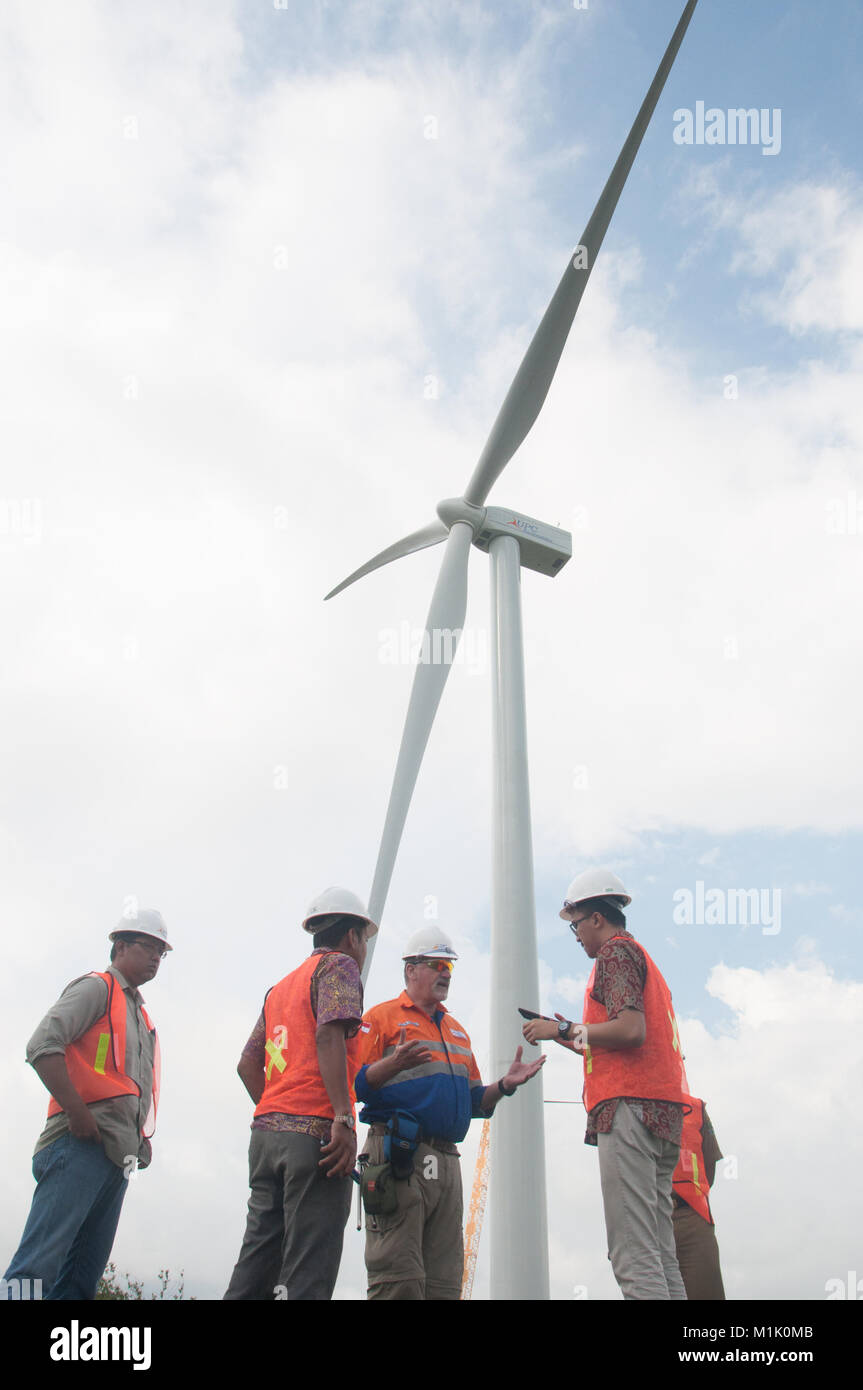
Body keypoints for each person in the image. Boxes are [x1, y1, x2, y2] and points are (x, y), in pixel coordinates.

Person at [356, 925, 546, 1300]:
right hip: (398, 1153)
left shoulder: (457, 1032)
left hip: (446, 1160)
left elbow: (476, 1101)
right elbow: (357, 1086)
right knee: (399, 1279)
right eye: (438, 964)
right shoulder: (381, 1018)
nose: (445, 973)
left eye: (450, 967)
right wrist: (393, 1065)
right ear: (411, 969)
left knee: (444, 1285)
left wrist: (504, 1086)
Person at [523, 868, 687, 1301]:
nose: (574, 933)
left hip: (630, 1113)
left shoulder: (614, 955)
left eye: (575, 923)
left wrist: (561, 1032)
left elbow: (630, 1031)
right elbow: (619, 1042)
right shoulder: (641, 958)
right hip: (662, 1113)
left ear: (597, 917)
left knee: (633, 1254)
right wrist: (566, 1033)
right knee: (659, 1252)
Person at [2, 909, 169, 1300]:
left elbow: (125, 1087)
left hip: (113, 1156)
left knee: (79, 1280)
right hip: (77, 1146)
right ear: (121, 946)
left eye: (162, 953)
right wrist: (78, 1113)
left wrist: (138, 1140)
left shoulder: (139, 1015)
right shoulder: (97, 989)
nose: (156, 958)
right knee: (36, 1267)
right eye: (150, 947)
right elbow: (42, 1045)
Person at [223, 887, 376, 1301]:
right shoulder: (340, 967)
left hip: (267, 1139)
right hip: (318, 1140)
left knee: (256, 1266)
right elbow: (329, 1035)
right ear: (352, 937)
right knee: (308, 1272)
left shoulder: (282, 987)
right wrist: (342, 1118)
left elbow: (246, 1065)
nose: (363, 950)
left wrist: (280, 1114)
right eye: (365, 940)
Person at [672, 1094, 726, 1300]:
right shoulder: (628, 1103)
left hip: (692, 1215)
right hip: (648, 1219)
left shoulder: (696, 1108)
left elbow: (708, 1167)